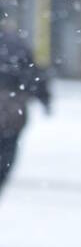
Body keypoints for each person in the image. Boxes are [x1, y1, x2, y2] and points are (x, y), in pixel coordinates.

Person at [0, 18, 52, 197]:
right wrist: (45, 99)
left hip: (11, 108)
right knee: (7, 151)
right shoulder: (17, 44)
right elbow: (34, 76)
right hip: (13, 110)